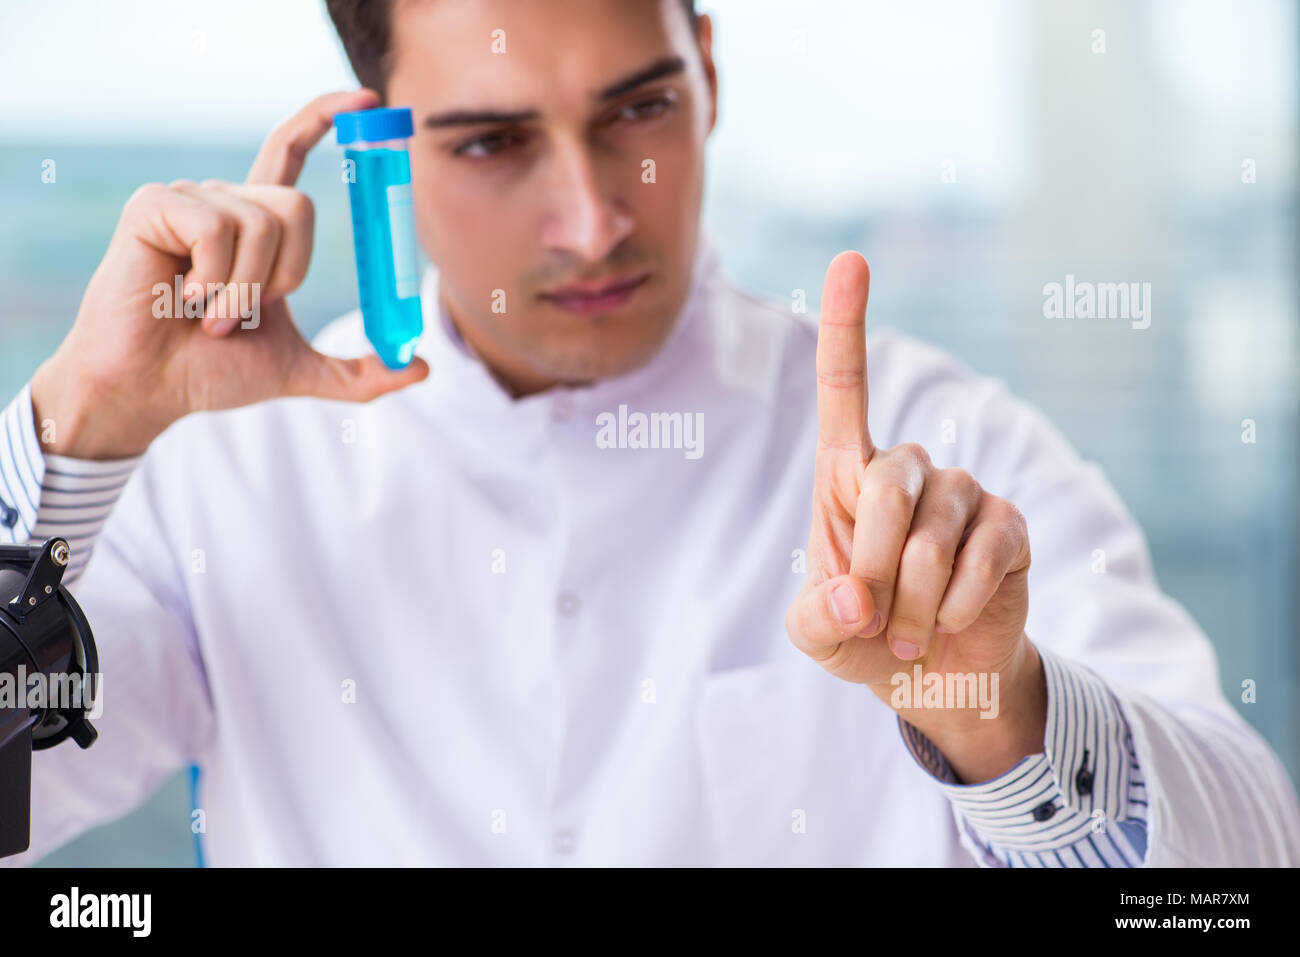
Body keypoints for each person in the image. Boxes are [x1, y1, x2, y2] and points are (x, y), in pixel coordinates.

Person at [2, 0, 1297, 866]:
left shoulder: (943, 451)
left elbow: (1243, 864)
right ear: (375, 145)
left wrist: (1001, 712)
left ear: (711, 72)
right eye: (496, 141)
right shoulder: (218, 472)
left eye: (638, 113)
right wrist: (79, 435)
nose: (593, 220)